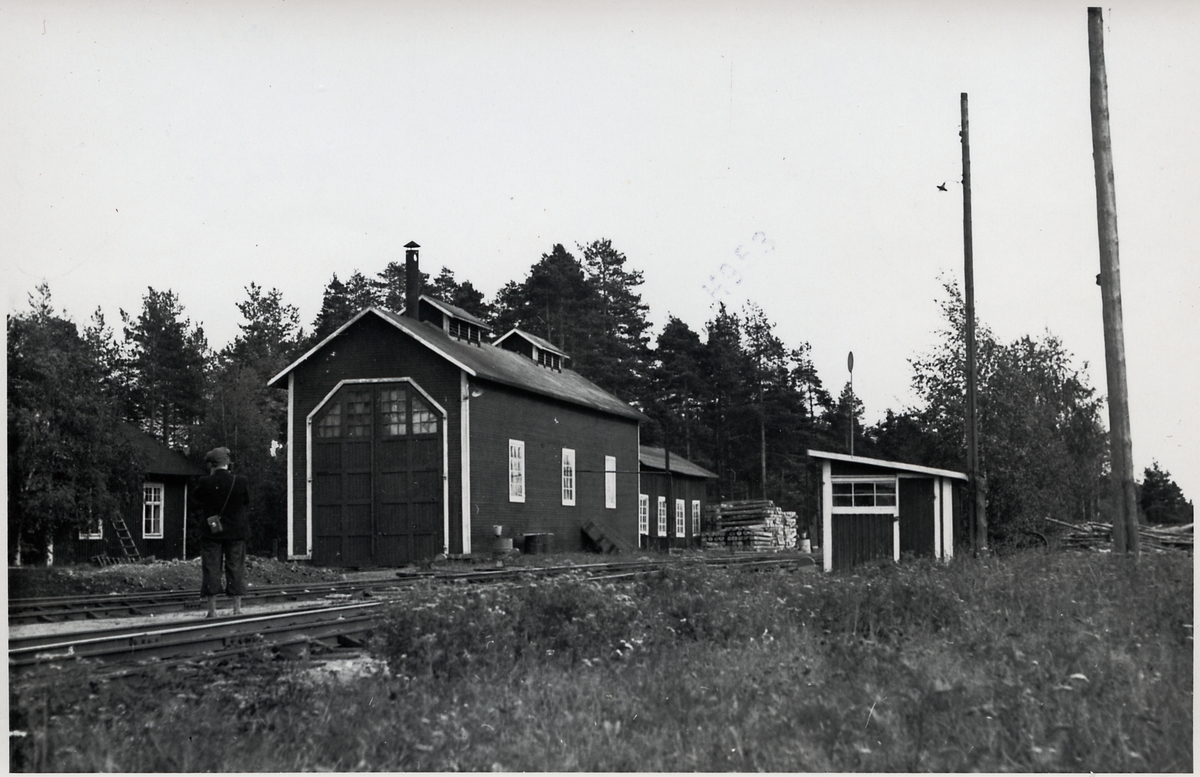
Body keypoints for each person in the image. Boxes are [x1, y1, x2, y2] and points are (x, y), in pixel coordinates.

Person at [192, 447, 251, 618]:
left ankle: (212, 611)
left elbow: (196, 502)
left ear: (212, 464)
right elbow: (246, 502)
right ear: (228, 462)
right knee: (236, 567)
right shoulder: (241, 481)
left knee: (211, 568)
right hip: (236, 533)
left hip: (212, 532)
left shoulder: (205, 482)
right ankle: (237, 609)